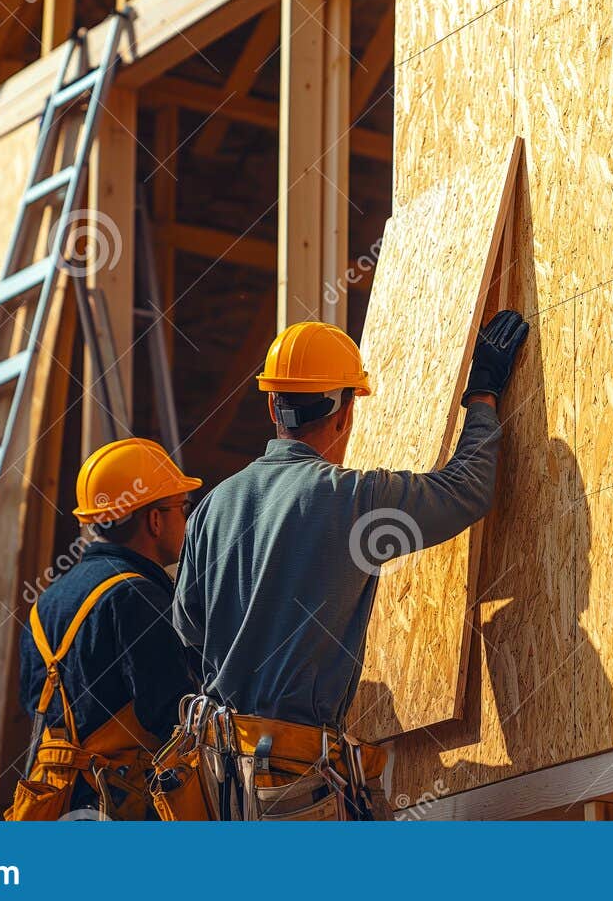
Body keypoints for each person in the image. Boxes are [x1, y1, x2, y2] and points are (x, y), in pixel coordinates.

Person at [169, 311, 528, 819]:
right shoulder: (350, 502)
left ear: (273, 405)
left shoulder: (211, 509)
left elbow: (187, 635)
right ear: (344, 414)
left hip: (218, 782)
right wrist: (484, 390)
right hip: (292, 787)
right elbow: (466, 489)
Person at [4, 438, 201, 821]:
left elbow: (34, 705)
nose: (187, 520)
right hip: (123, 809)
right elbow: (175, 718)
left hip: (55, 807)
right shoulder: (137, 596)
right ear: (154, 519)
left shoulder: (45, 604)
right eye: (182, 507)